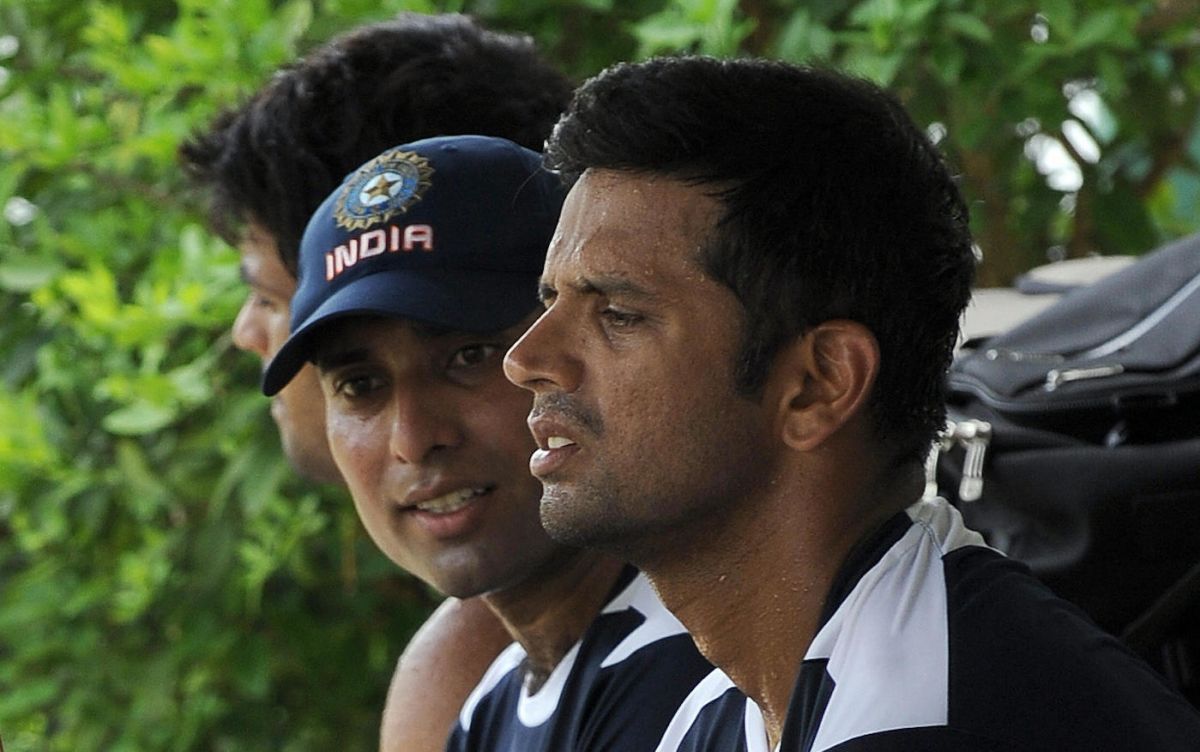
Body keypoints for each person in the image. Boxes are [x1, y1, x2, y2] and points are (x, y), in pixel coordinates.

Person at [503, 56, 1200, 751]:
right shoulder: (729, 708)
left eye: (618, 314)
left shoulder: (926, 722)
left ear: (819, 385)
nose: (526, 360)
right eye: (550, 300)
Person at [177, 14, 573, 750]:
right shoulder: (506, 660)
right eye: (358, 382)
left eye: (468, 354)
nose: (246, 332)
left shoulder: (469, 668)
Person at [262, 135, 716, 749]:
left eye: (469, 356)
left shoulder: (703, 666)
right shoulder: (493, 707)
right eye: (360, 385)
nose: (414, 439)